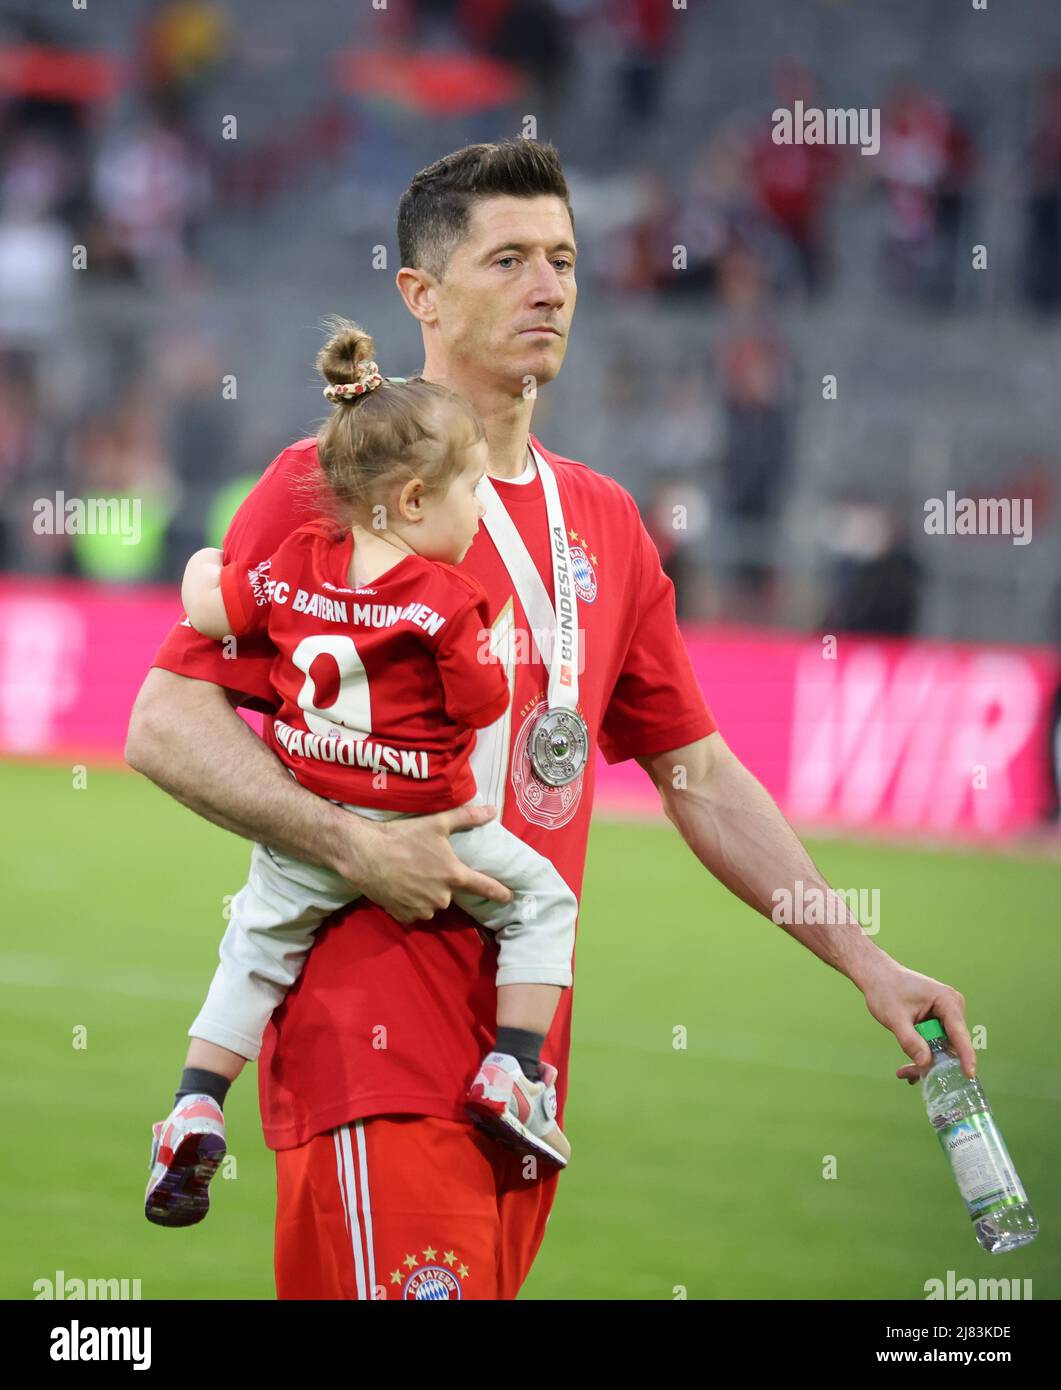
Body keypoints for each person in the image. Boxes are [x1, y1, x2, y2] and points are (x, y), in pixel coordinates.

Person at [126, 139, 975, 1301]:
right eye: (510, 259)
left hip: (517, 1085)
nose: (550, 287)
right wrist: (350, 844)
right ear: (419, 296)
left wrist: (862, 956)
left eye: (565, 260)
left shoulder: (606, 524)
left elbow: (698, 773)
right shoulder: (334, 481)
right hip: (372, 1057)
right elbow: (165, 719)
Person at [144, 321, 580, 1230]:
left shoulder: (297, 564)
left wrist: (196, 568)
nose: (477, 511)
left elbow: (218, 602)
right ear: (414, 501)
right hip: (423, 823)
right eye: (469, 493)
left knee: (253, 952)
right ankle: (514, 1068)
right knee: (540, 900)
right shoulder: (449, 601)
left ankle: (193, 1102)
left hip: (309, 816)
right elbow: (480, 707)